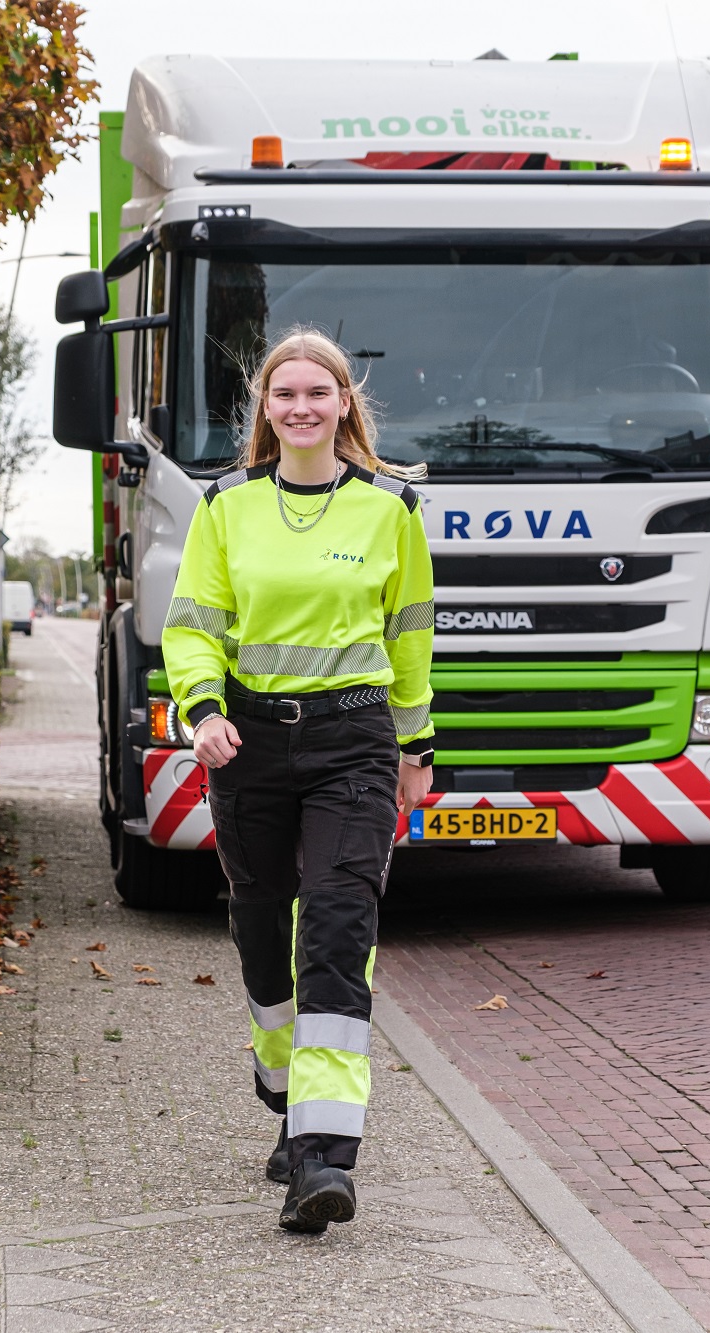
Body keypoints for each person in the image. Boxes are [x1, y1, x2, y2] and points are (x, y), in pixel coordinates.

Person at [163, 327, 435, 1235]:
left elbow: (410, 641)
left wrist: (415, 747)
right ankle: (282, 1087)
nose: (303, 407)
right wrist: (203, 712)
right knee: (261, 936)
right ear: (266, 409)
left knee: (336, 927)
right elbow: (193, 624)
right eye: (287, 394)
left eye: (320, 392)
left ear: (345, 404)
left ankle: (324, 1156)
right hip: (249, 747)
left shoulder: (391, 509)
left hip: (353, 738)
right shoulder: (224, 505)